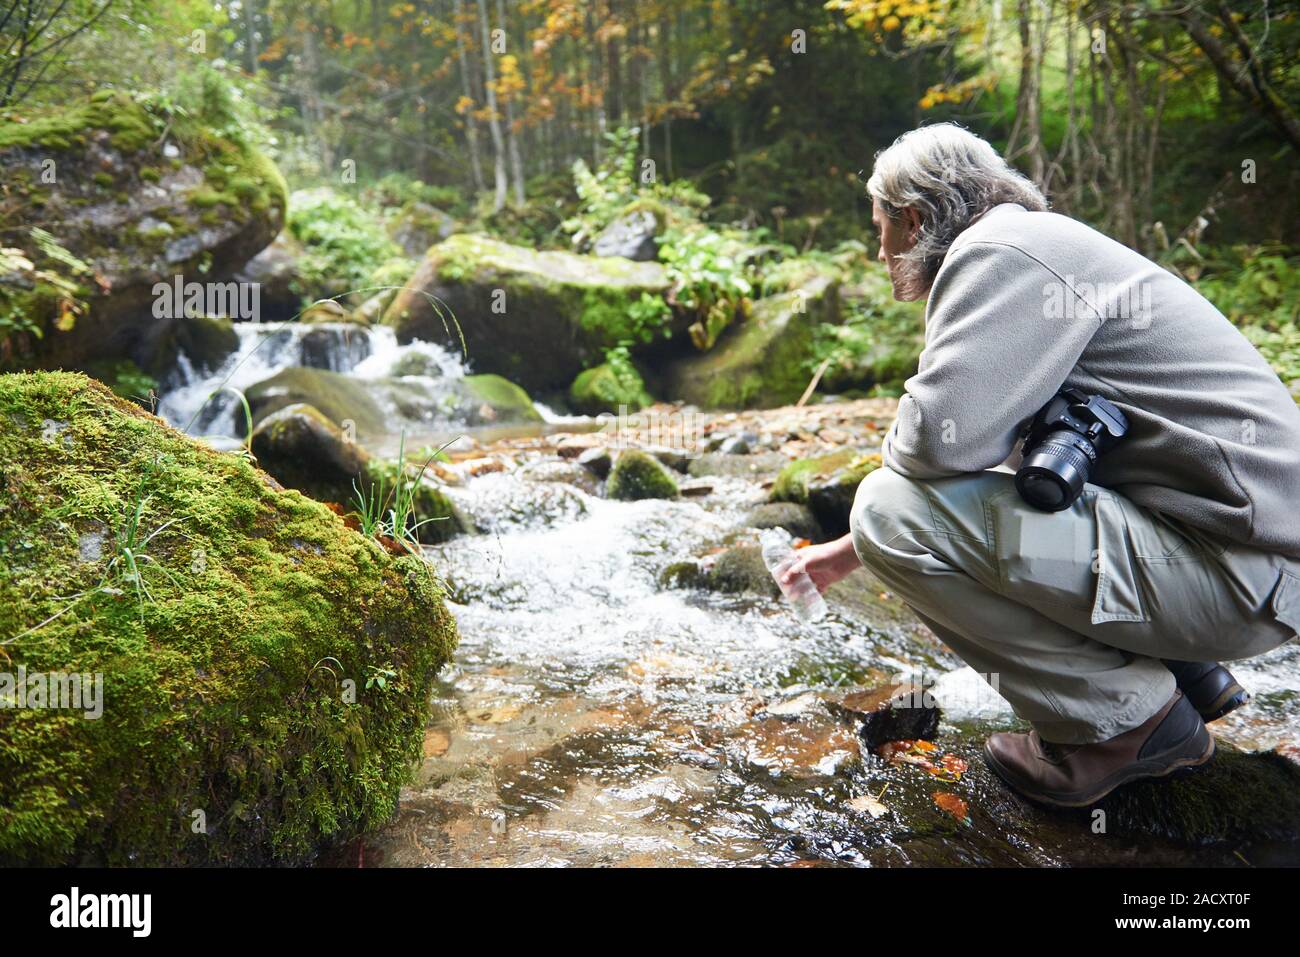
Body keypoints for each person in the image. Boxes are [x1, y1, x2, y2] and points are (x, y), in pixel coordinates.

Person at [782, 123, 1300, 807]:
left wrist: (869, 531)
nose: (879, 249)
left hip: (1235, 572)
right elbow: (997, 470)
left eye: (879, 227)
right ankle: (1167, 679)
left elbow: (934, 443)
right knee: (902, 513)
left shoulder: (1002, 251)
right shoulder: (1041, 245)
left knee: (886, 507)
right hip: (1248, 567)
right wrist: (845, 554)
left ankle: (1126, 723)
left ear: (912, 216)